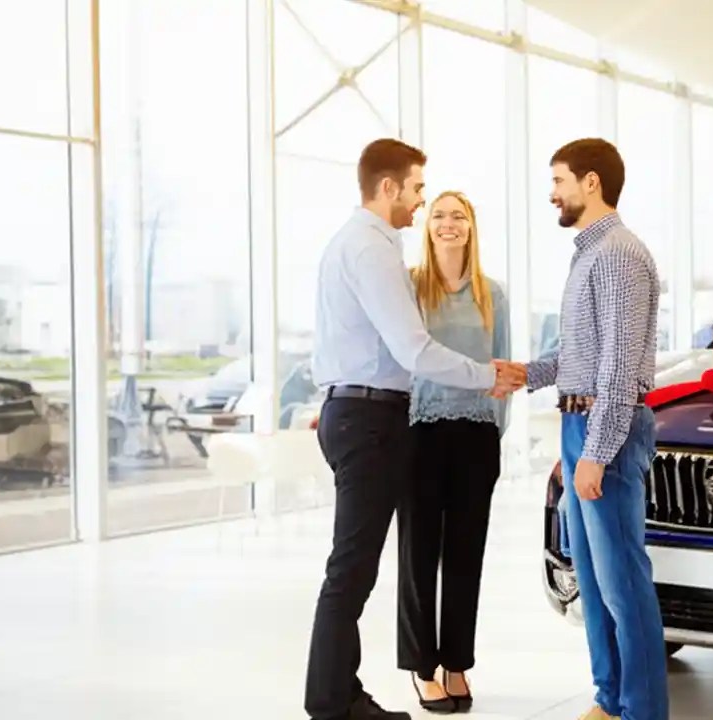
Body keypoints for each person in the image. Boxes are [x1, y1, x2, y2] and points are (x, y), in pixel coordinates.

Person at [305, 139, 524, 720]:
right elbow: (413, 348)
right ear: (388, 188)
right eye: (419, 190)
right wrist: (486, 376)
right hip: (374, 419)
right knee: (352, 570)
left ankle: (340, 694)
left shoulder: (360, 244)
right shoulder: (375, 252)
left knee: (353, 569)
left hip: (366, 414)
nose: (422, 204)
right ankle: (333, 701)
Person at [515, 138, 668, 720]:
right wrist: (524, 374)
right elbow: (580, 355)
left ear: (591, 183)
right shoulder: (588, 252)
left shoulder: (620, 255)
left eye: (559, 180)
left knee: (624, 582)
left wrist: (597, 452)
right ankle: (610, 701)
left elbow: (620, 367)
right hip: (579, 423)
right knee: (595, 581)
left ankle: (644, 711)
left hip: (611, 428)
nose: (552, 192)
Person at [397, 191, 510, 714]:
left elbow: (503, 371)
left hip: (475, 435)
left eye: (458, 216)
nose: (448, 224)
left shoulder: (494, 294)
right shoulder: (408, 287)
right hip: (420, 433)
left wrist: (494, 434)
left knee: (466, 556)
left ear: (471, 227)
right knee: (419, 554)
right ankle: (422, 667)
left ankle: (456, 663)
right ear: (428, 226)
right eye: (439, 215)